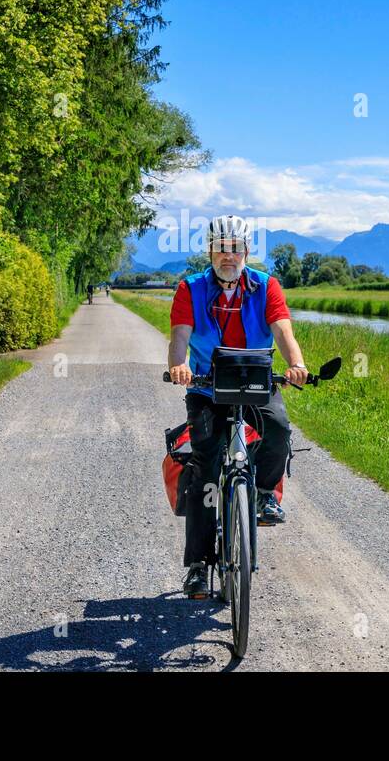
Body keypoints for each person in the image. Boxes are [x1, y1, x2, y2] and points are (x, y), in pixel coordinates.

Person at [167, 214, 309, 599]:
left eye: (235, 249)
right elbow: (180, 336)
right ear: (210, 251)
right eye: (220, 249)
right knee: (205, 468)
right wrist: (178, 366)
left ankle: (264, 495)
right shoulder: (190, 288)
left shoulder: (266, 286)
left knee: (277, 427)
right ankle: (198, 566)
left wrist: (296, 364)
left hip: (254, 380)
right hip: (207, 386)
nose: (227, 256)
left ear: (245, 251)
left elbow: (282, 329)